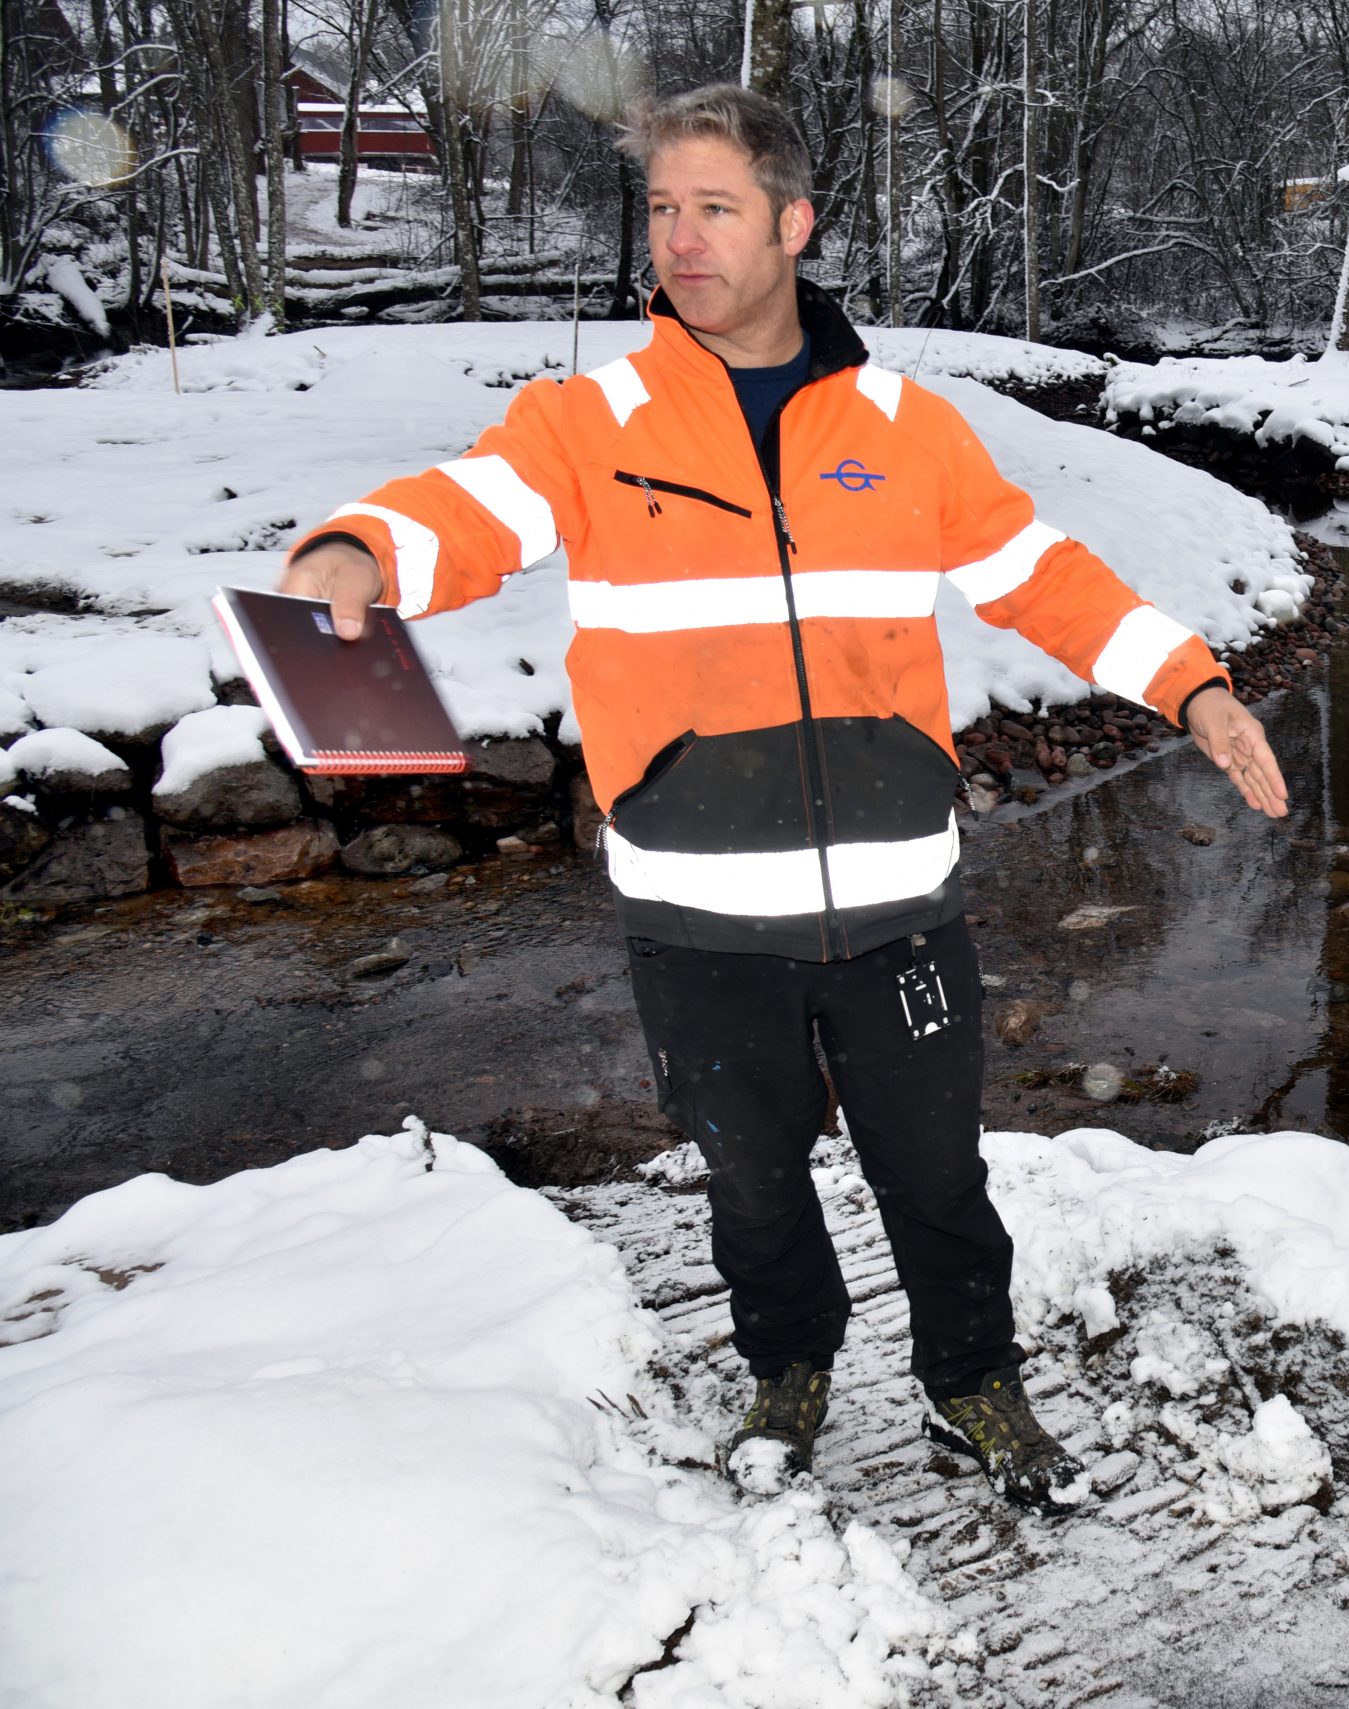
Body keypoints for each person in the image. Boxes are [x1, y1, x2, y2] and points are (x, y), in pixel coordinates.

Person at [277, 84, 1288, 1512]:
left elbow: (1045, 580)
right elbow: (467, 507)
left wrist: (1197, 685)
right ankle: (790, 1367)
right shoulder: (588, 419)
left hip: (896, 908)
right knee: (752, 1183)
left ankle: (973, 1384)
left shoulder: (904, 429)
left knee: (938, 1179)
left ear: (793, 224)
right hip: (694, 918)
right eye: (663, 209)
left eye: (716, 209)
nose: (680, 242)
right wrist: (352, 552)